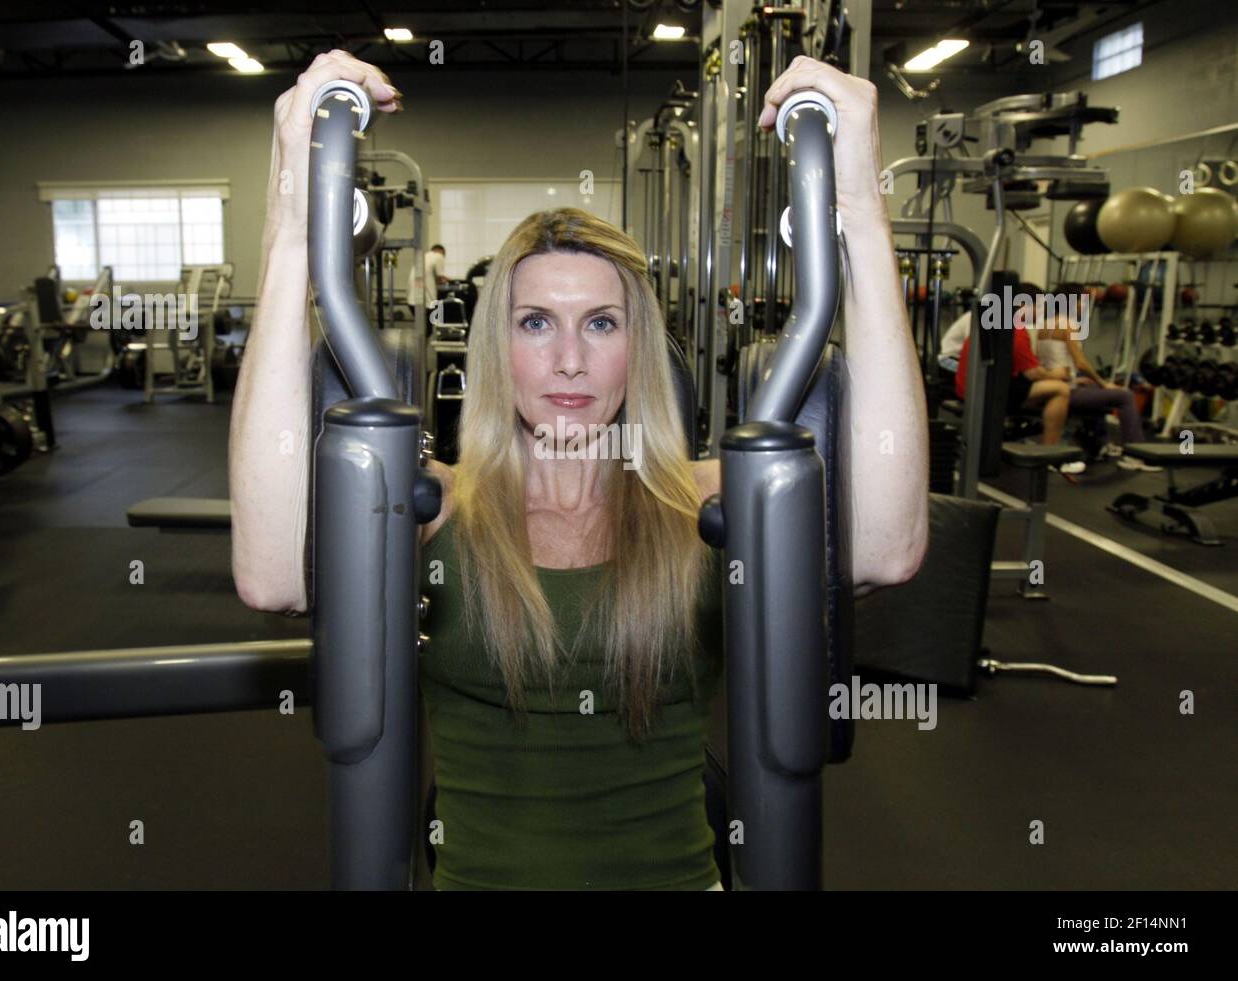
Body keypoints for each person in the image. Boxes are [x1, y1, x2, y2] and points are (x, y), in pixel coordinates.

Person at [230, 50, 928, 890]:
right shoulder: (432, 505)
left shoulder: (711, 504)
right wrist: (288, 231)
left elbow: (887, 548)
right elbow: (272, 572)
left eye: (600, 323)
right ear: (499, 348)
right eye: (534, 324)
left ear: (637, 348)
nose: (567, 360)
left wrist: (861, 213)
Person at [953, 284, 1080, 469]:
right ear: (1021, 304)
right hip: (984, 390)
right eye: (1037, 306)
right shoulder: (1016, 330)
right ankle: (1049, 455)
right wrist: (1058, 374)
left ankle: (1017, 437)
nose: (1041, 311)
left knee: (1040, 390)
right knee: (1061, 389)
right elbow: (1033, 373)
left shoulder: (995, 320)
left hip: (970, 386)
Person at [1033, 318, 1161, 472]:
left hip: (1055, 386)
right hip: (1066, 392)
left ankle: (1100, 445)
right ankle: (1137, 455)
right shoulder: (1068, 326)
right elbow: (1080, 362)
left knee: (1092, 386)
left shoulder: (1044, 325)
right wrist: (1103, 383)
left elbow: (1051, 362)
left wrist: (1076, 379)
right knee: (1124, 396)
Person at [408, 243, 447, 313]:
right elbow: (441, 279)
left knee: (421, 324)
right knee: (434, 321)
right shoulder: (439, 256)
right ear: (441, 252)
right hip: (428, 304)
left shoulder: (423, 257)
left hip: (412, 302)